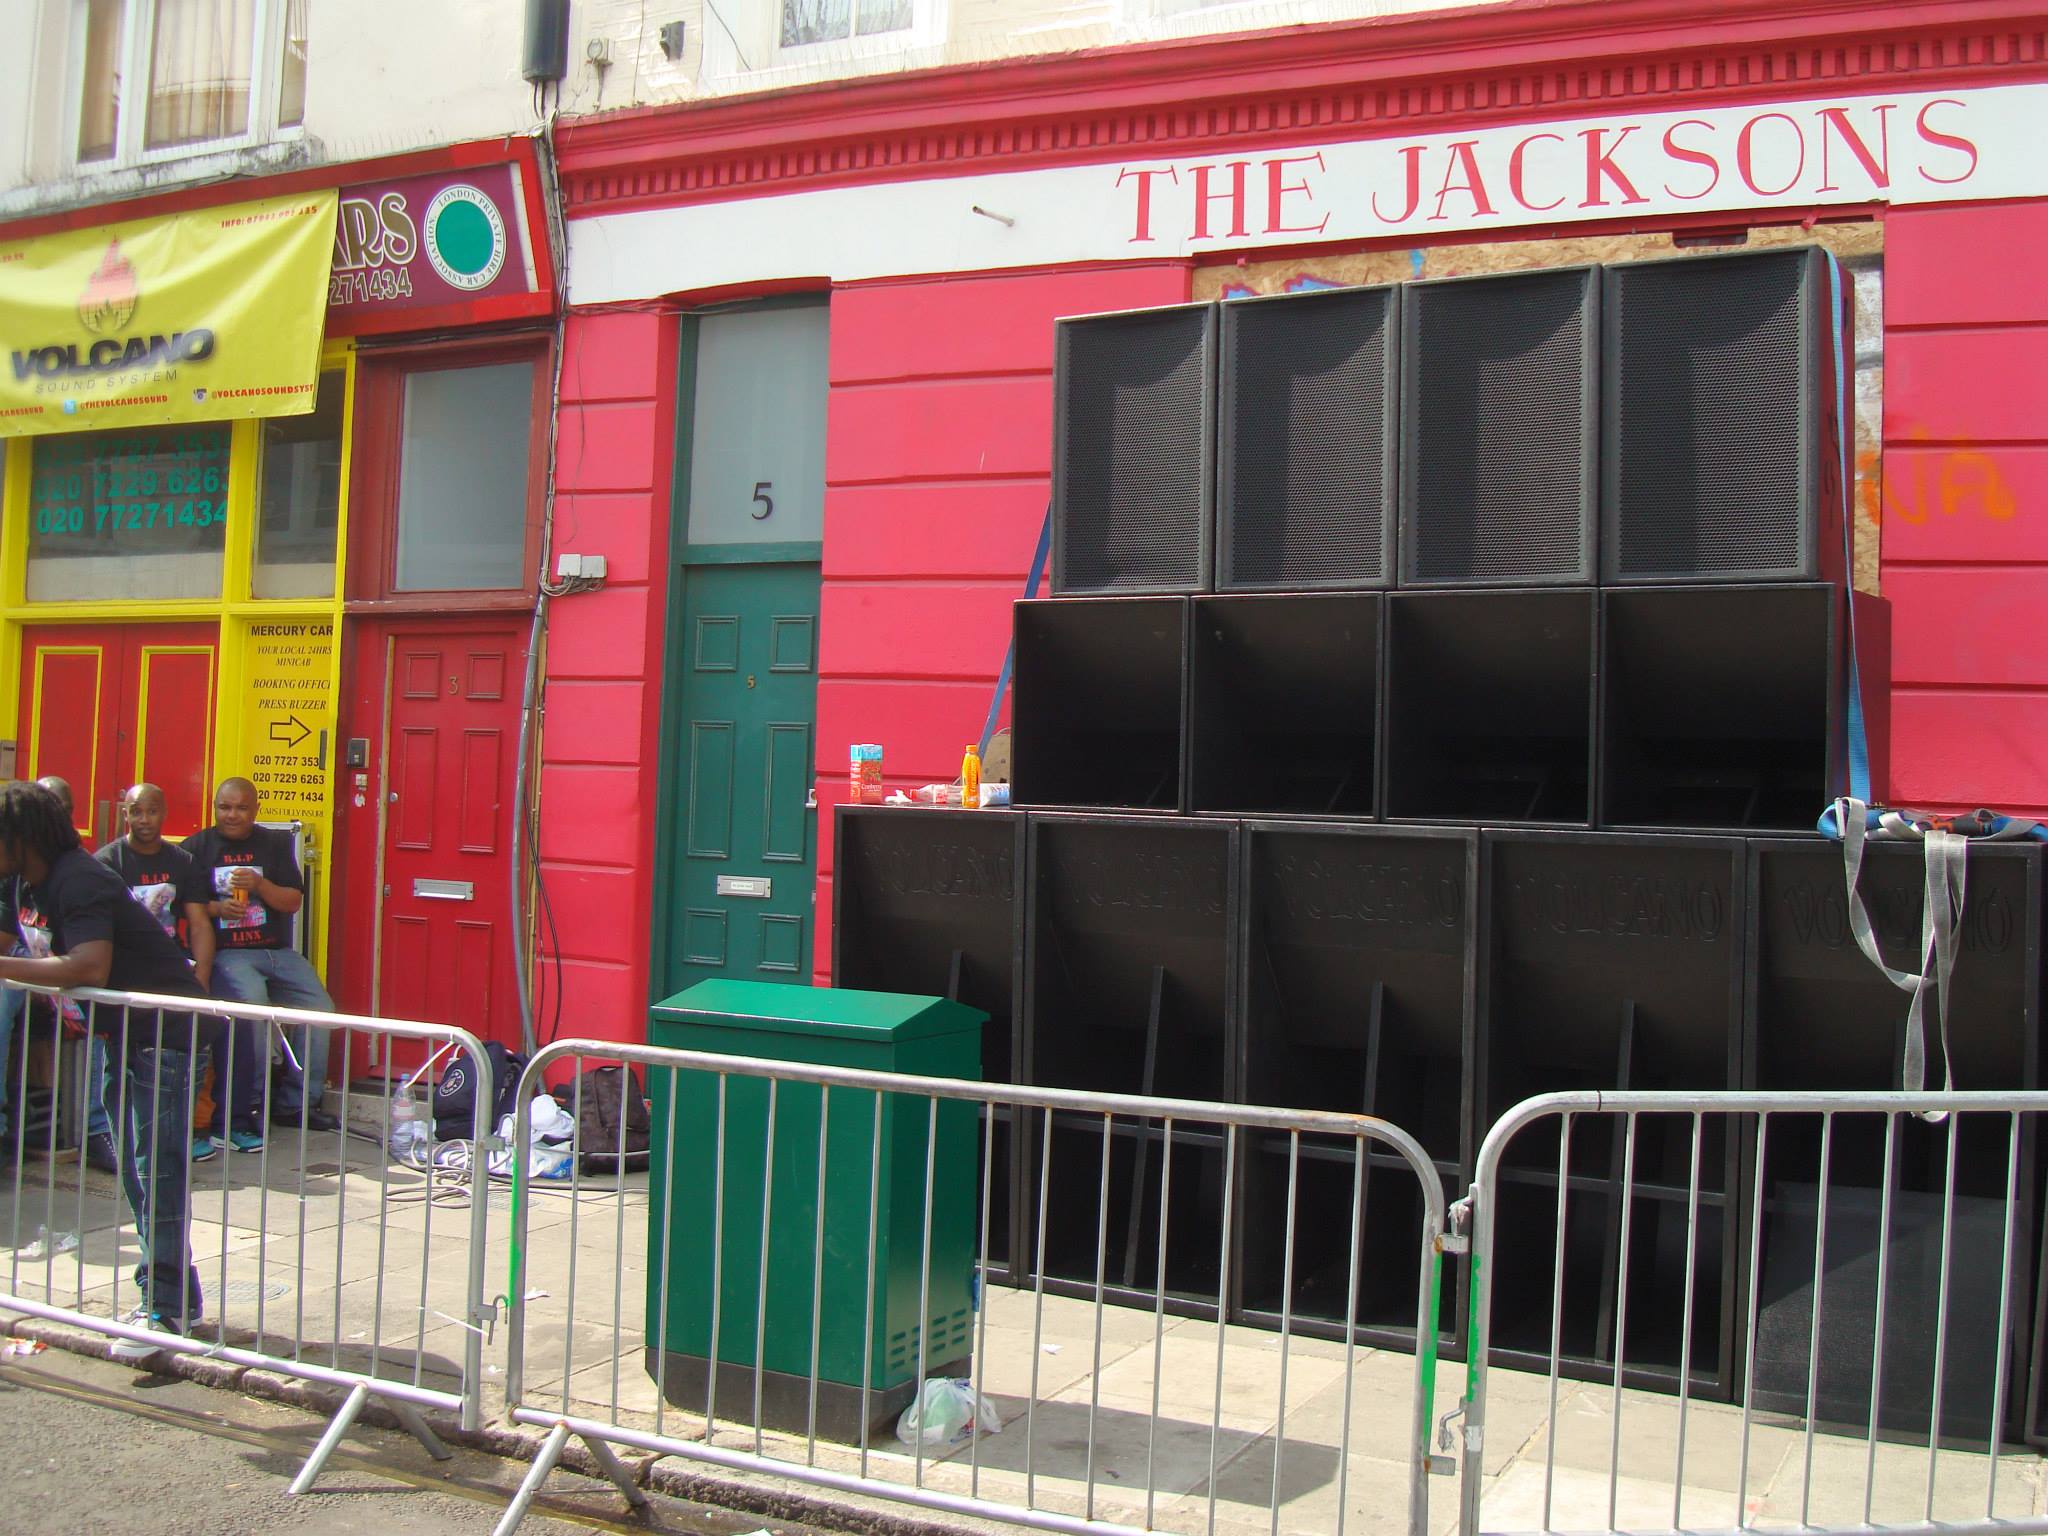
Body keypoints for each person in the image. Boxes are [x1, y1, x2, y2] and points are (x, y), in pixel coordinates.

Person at [0, 781, 204, 1359]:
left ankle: (166, 1313)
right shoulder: (21, 883)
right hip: (119, 1033)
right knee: (139, 1176)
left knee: (155, 1170)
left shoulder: (79, 878)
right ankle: (168, 1300)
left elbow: (88, 963)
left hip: (163, 1034)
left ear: (22, 837)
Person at [98, 783, 259, 1165]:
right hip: (124, 972)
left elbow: (199, 924)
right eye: (136, 811)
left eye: (151, 811)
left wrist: (201, 979)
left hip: (173, 968)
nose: (144, 820)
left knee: (215, 1027)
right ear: (125, 813)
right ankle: (108, 1132)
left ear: (163, 813)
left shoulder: (181, 861)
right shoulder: (108, 862)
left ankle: (203, 1125)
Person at [182, 779, 338, 1133]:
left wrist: (260, 885)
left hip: (275, 951)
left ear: (255, 810)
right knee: (253, 1007)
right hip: (228, 954)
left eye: (240, 808)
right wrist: (217, 907)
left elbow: (293, 901)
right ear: (215, 807)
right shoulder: (197, 848)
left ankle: (298, 1105)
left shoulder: (273, 843)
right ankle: (249, 1105)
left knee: (320, 1008)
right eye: (224, 807)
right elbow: (182, 905)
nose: (232, 815)